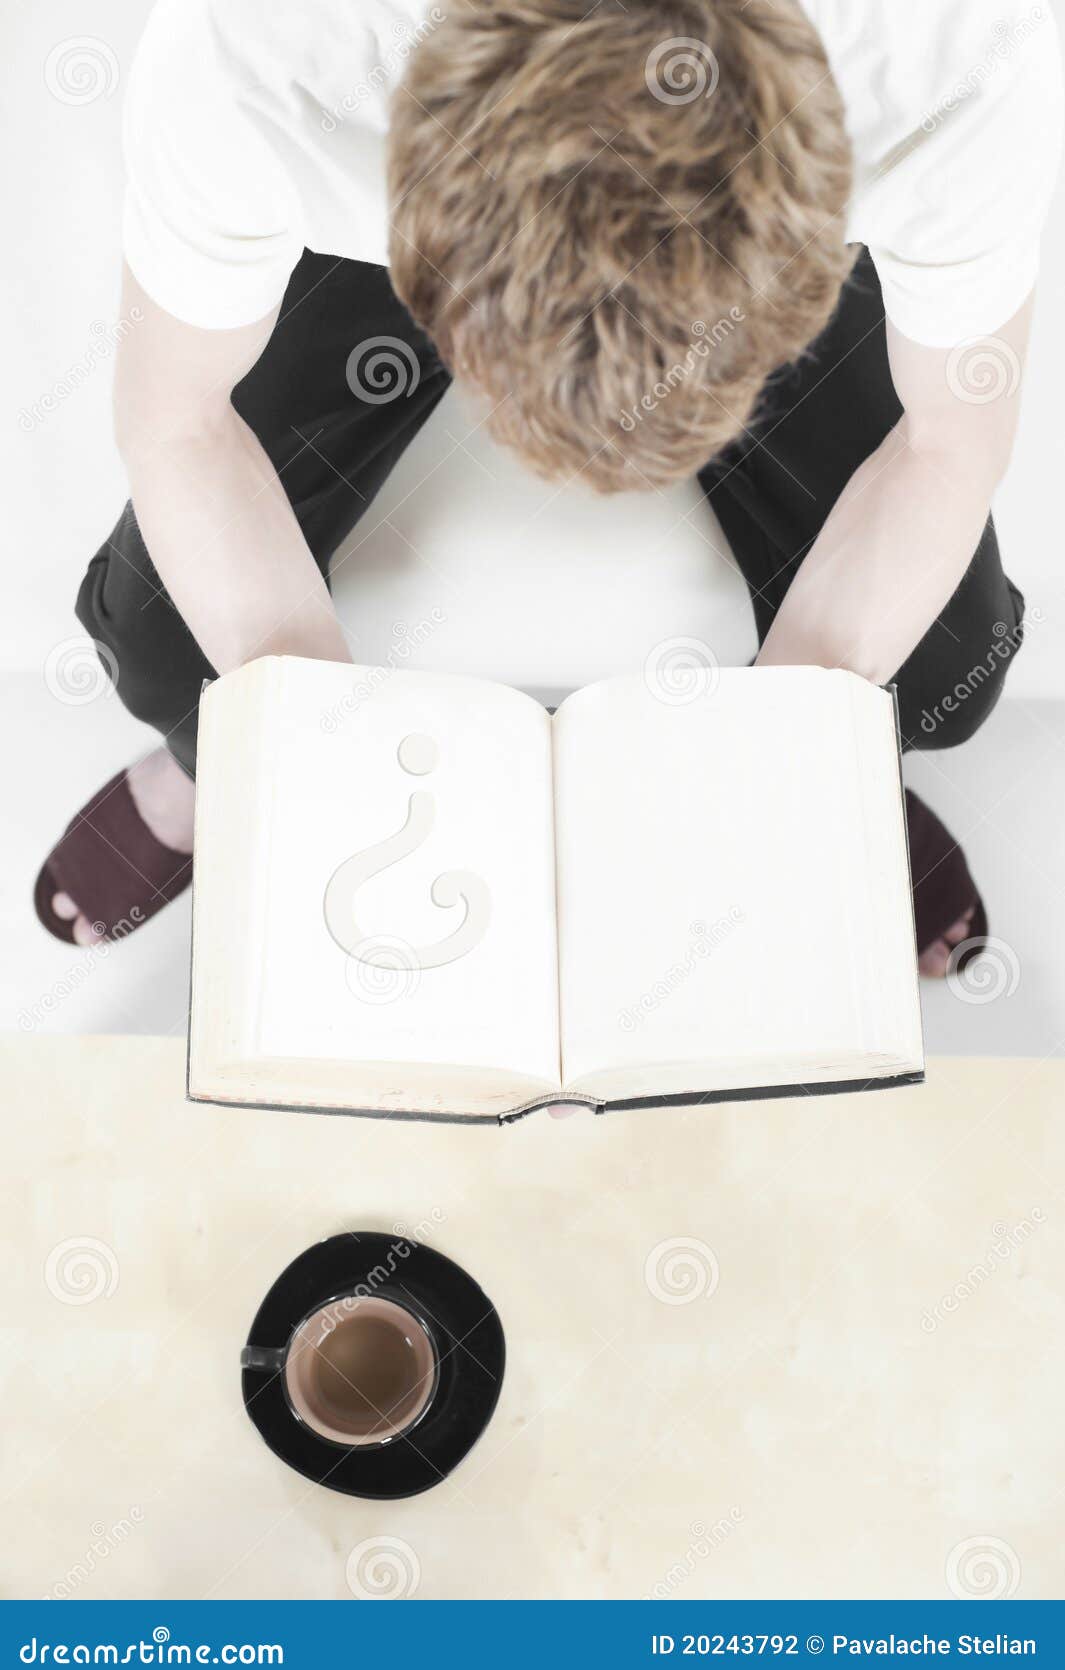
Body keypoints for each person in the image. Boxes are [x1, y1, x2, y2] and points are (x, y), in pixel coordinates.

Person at [36, 0, 1062, 979]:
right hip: (381, 204)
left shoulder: (961, 55)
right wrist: (309, 749)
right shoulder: (260, 48)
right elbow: (176, 423)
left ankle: (860, 779)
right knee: (172, 651)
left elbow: (949, 446)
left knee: (936, 671)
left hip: (764, 197)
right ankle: (202, 766)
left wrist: (784, 755)